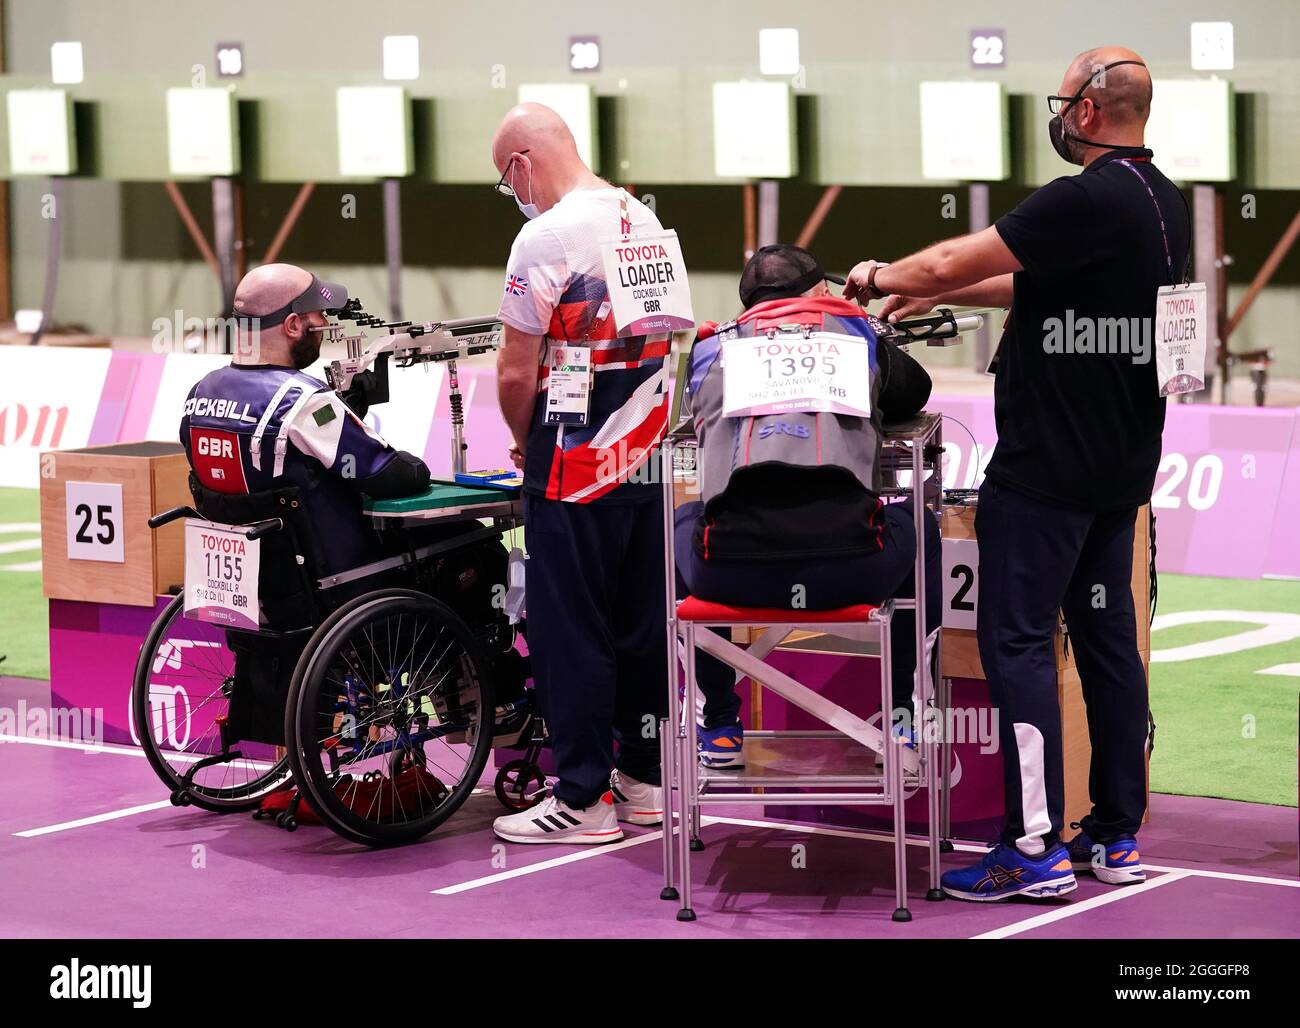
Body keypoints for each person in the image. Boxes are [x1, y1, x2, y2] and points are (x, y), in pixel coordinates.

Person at [843, 47, 1189, 901]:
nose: (1060, 113)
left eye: (1067, 100)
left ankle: (1032, 847)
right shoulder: (1164, 201)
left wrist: (883, 277)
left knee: (1019, 644)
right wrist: (952, 296)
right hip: (1119, 473)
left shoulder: (1083, 196)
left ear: (1090, 112)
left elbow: (951, 258)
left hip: (1046, 474)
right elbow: (1052, 288)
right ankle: (1114, 836)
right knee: (1108, 645)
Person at [678, 244, 940, 768]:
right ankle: (901, 720)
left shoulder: (708, 351)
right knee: (922, 526)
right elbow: (916, 392)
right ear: (820, 292)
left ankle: (721, 725)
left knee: (684, 520)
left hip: (729, 575)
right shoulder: (856, 336)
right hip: (852, 570)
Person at [488, 103, 671, 845]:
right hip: (648, 454)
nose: (514, 194)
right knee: (640, 626)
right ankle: (646, 782)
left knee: (571, 631)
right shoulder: (645, 222)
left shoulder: (545, 235)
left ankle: (583, 798)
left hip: (572, 464)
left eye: (506, 181)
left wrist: (523, 439)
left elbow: (512, 371)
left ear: (522, 163)